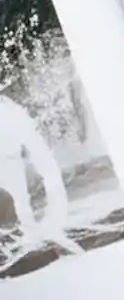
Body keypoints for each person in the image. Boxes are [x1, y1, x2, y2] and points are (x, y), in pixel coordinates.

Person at [0, 90, 81, 256]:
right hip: (8, 157)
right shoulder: (10, 110)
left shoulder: (10, 110)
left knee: (21, 197)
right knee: (19, 198)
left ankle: (38, 232)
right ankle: (30, 234)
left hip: (11, 155)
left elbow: (34, 144)